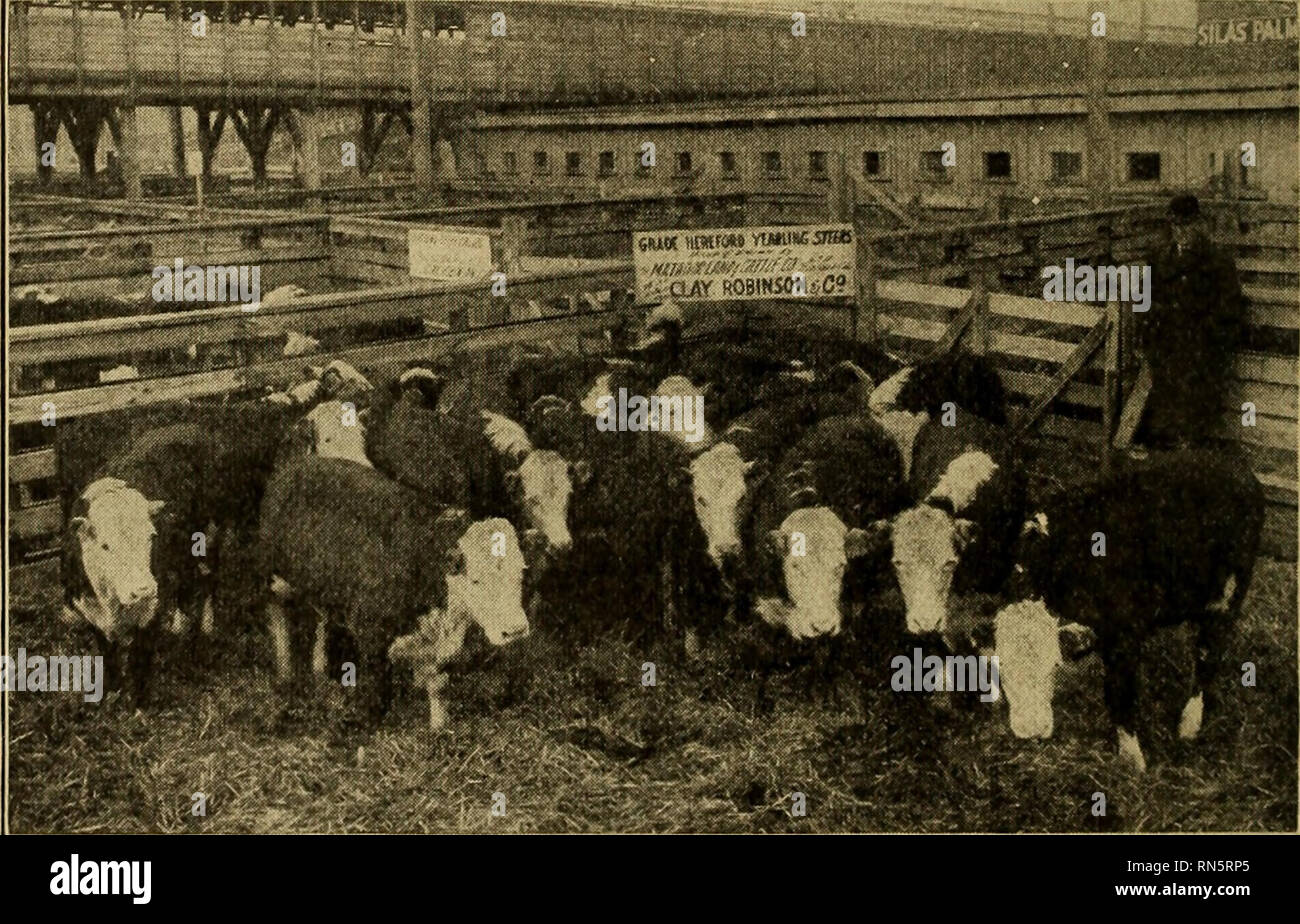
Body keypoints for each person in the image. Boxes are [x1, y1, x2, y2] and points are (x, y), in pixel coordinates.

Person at [1133, 193, 1247, 452]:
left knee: (1194, 428)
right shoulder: (1160, 257)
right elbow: (1144, 300)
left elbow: (1230, 311)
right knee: (1162, 422)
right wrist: (1149, 337)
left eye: (1186, 225)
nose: (1180, 232)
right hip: (1165, 352)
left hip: (1200, 356)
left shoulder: (1217, 261)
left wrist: (1210, 344)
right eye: (1175, 225)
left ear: (1199, 224)